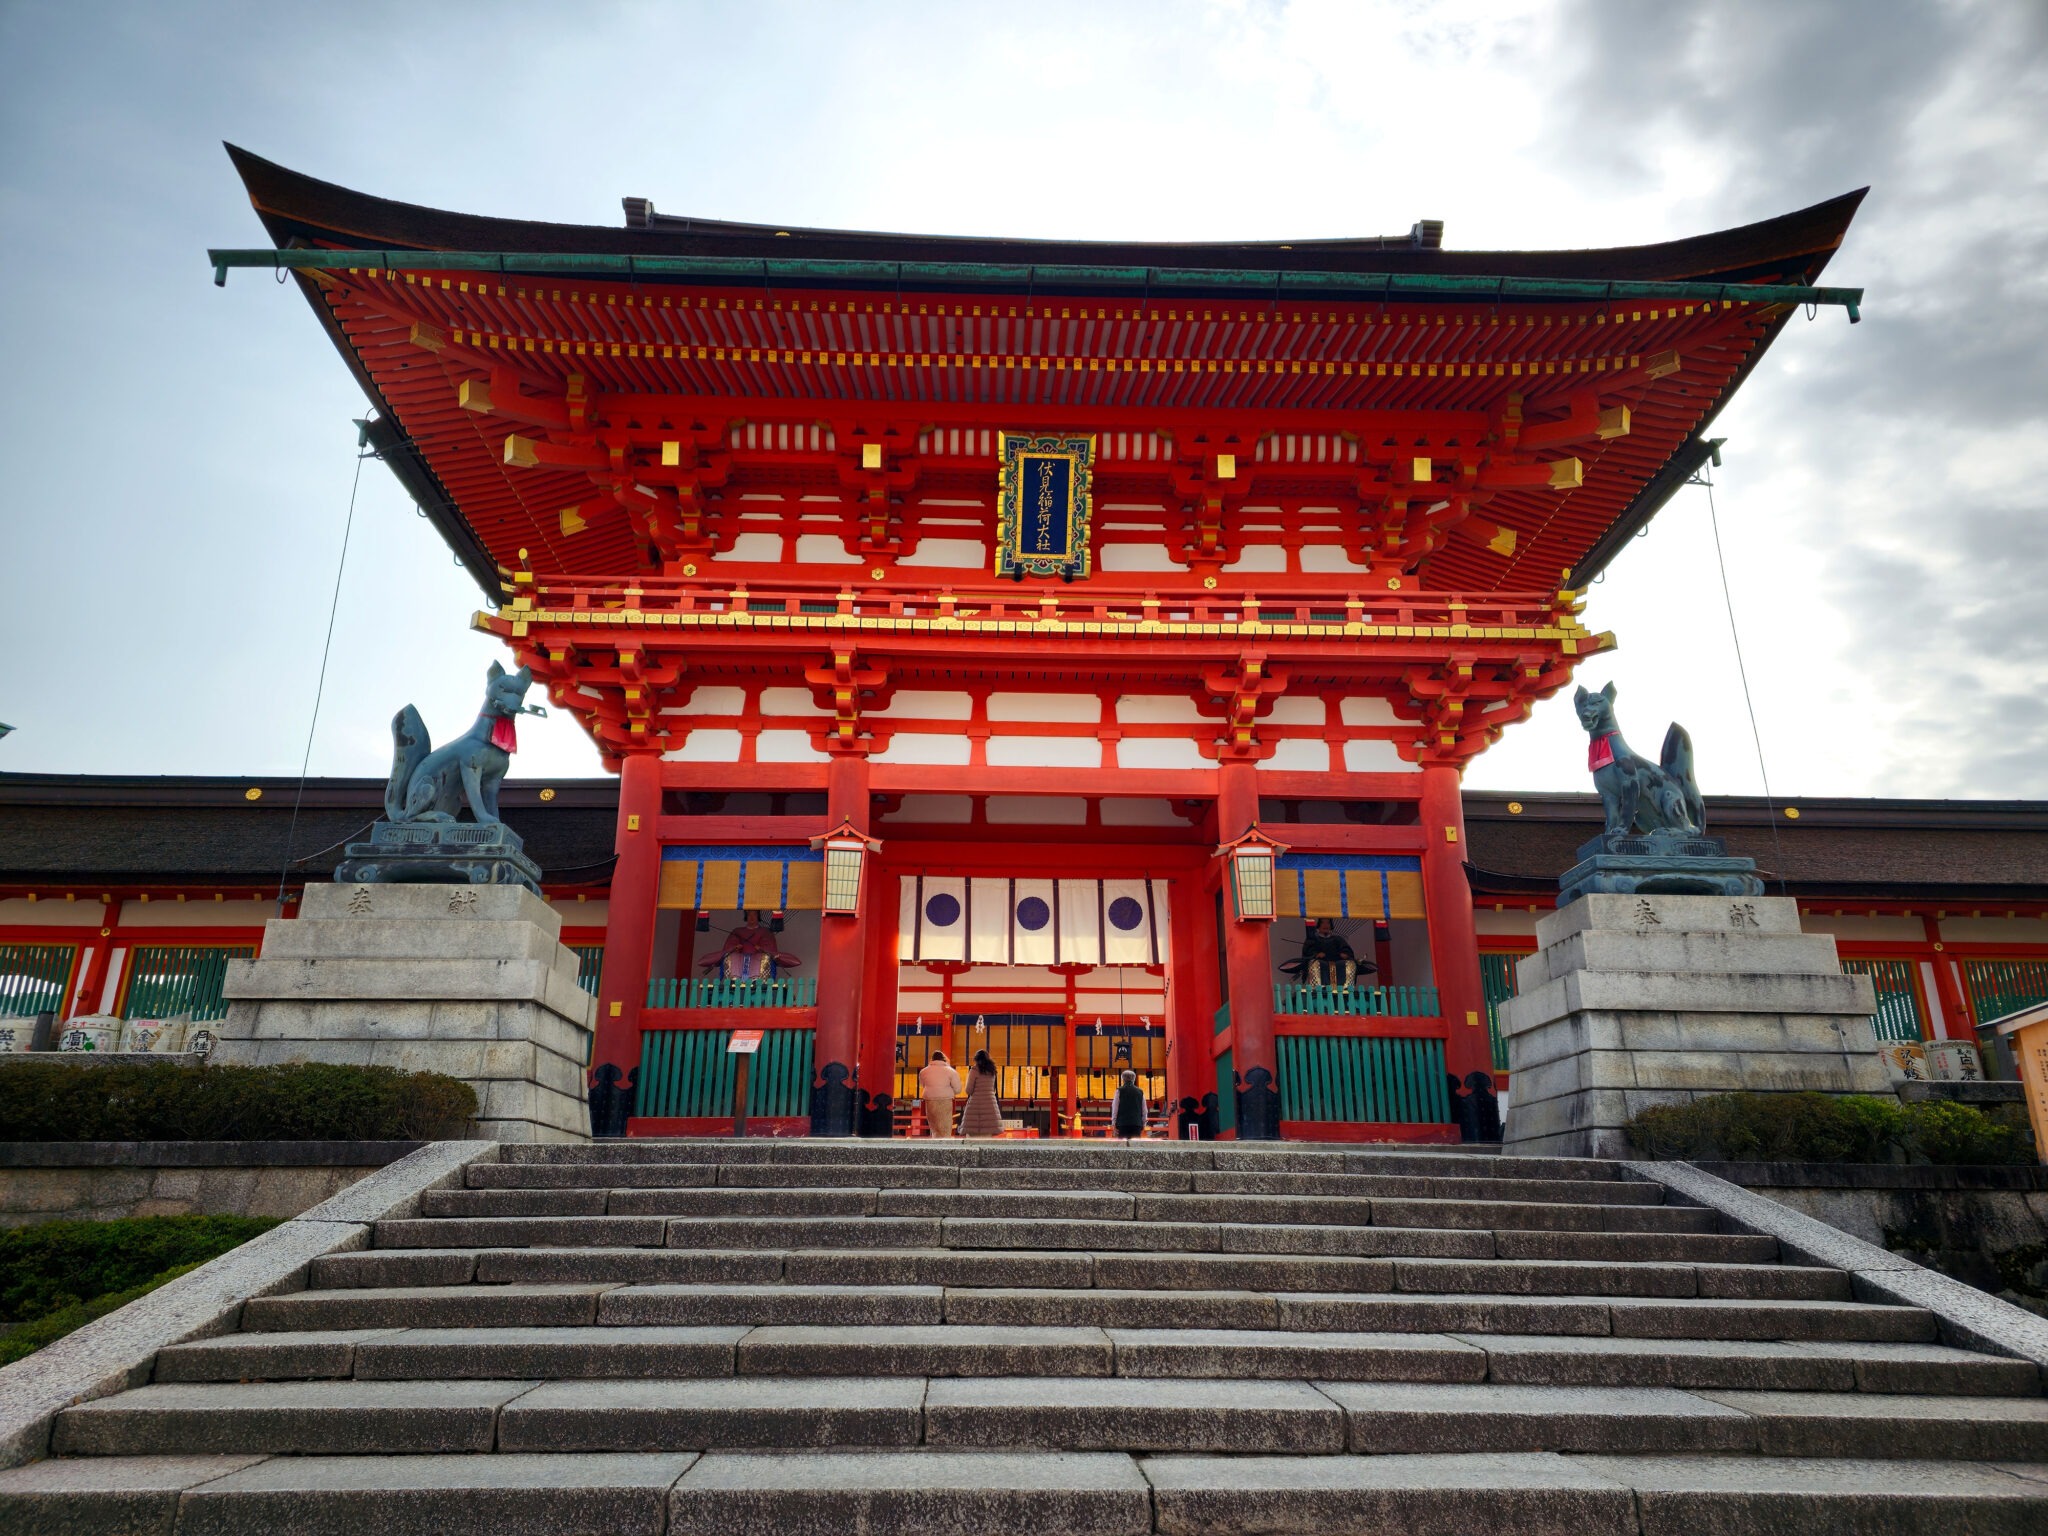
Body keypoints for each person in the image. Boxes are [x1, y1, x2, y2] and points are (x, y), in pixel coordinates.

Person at [917, 1050, 961, 1139]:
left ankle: (935, 1144)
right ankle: (945, 1146)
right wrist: (951, 1092)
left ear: (932, 1059)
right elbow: (958, 1089)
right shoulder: (951, 1071)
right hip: (945, 1100)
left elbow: (923, 1084)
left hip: (930, 1100)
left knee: (934, 1127)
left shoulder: (923, 1071)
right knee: (945, 1126)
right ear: (944, 1059)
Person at [958, 1048, 1002, 1137]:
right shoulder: (992, 1071)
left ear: (976, 1059)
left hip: (975, 1104)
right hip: (990, 1103)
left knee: (973, 1136)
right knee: (987, 1135)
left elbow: (968, 1090)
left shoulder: (974, 1070)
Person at [1112, 1068, 1147, 1140]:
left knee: (1123, 1147)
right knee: (1135, 1147)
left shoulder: (1119, 1090)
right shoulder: (1140, 1092)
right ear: (1134, 1079)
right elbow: (1144, 1109)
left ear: (1123, 1079)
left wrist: (1114, 1122)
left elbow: (1115, 1107)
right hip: (1136, 1123)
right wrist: (1143, 1123)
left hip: (1122, 1123)